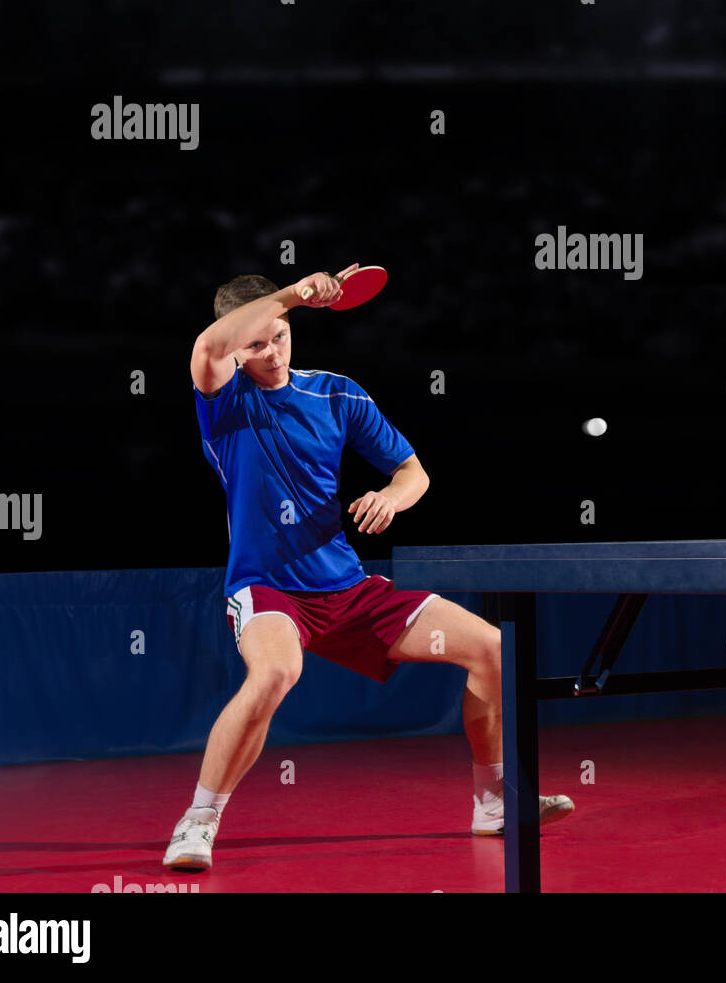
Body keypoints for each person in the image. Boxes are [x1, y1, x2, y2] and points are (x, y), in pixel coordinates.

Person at [162, 268, 573, 871]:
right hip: (268, 587)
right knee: (276, 672)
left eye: (279, 336)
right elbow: (208, 346)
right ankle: (197, 820)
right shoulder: (223, 400)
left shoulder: (336, 394)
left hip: (349, 587)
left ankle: (495, 803)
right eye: (256, 344)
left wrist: (392, 497)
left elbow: (414, 473)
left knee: (492, 648)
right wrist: (297, 293)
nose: (271, 352)